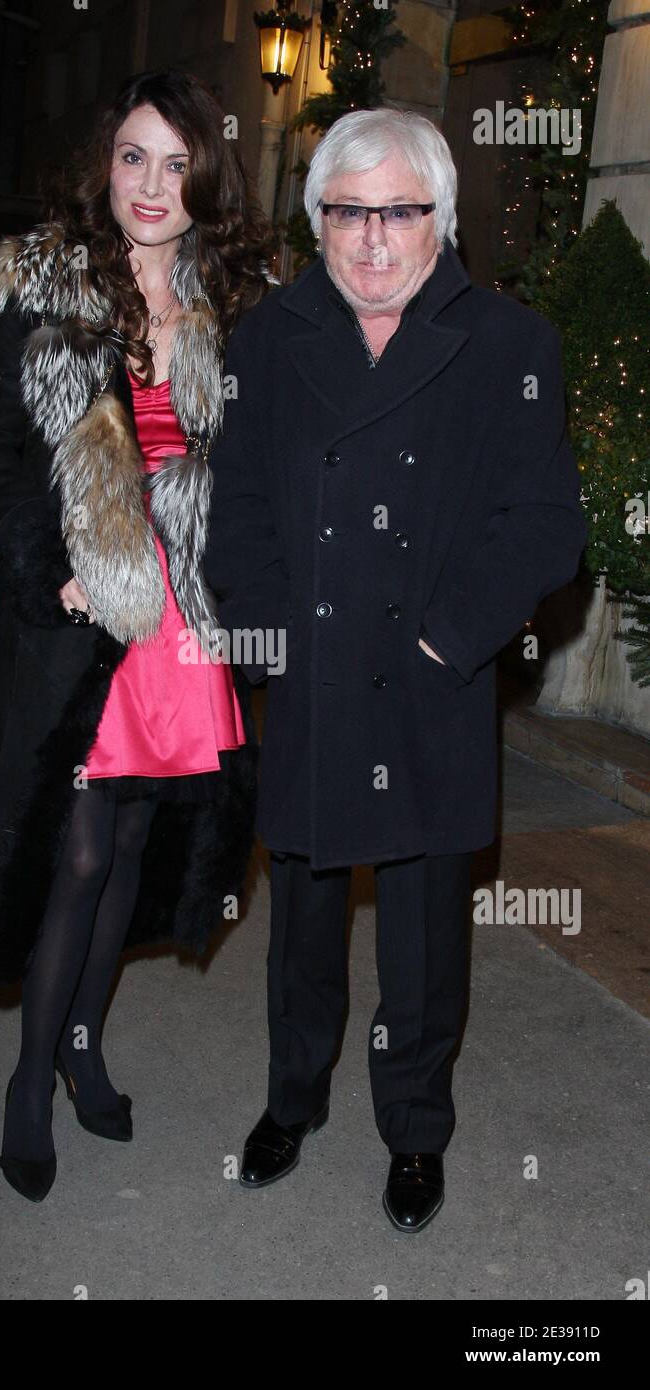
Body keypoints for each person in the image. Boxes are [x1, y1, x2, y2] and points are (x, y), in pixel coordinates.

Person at [202, 106, 588, 1233]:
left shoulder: (509, 348)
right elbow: (237, 513)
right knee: (302, 920)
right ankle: (291, 1098)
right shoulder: (266, 339)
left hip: (429, 685)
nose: (373, 240)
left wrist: (445, 637)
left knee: (422, 933)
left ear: (440, 220)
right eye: (348, 212)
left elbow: (542, 526)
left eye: (399, 213)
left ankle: (414, 1130)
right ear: (317, 219)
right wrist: (273, 637)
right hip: (315, 676)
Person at [0, 68, 272, 1201]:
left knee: (128, 845)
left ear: (204, 177)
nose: (152, 184)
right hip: (80, 620)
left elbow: (266, 470)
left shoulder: (241, 301)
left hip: (185, 629)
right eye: (134, 157)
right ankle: (33, 1077)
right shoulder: (39, 287)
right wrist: (50, 555)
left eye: (176, 163)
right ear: (103, 166)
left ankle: (83, 1038)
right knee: (73, 846)